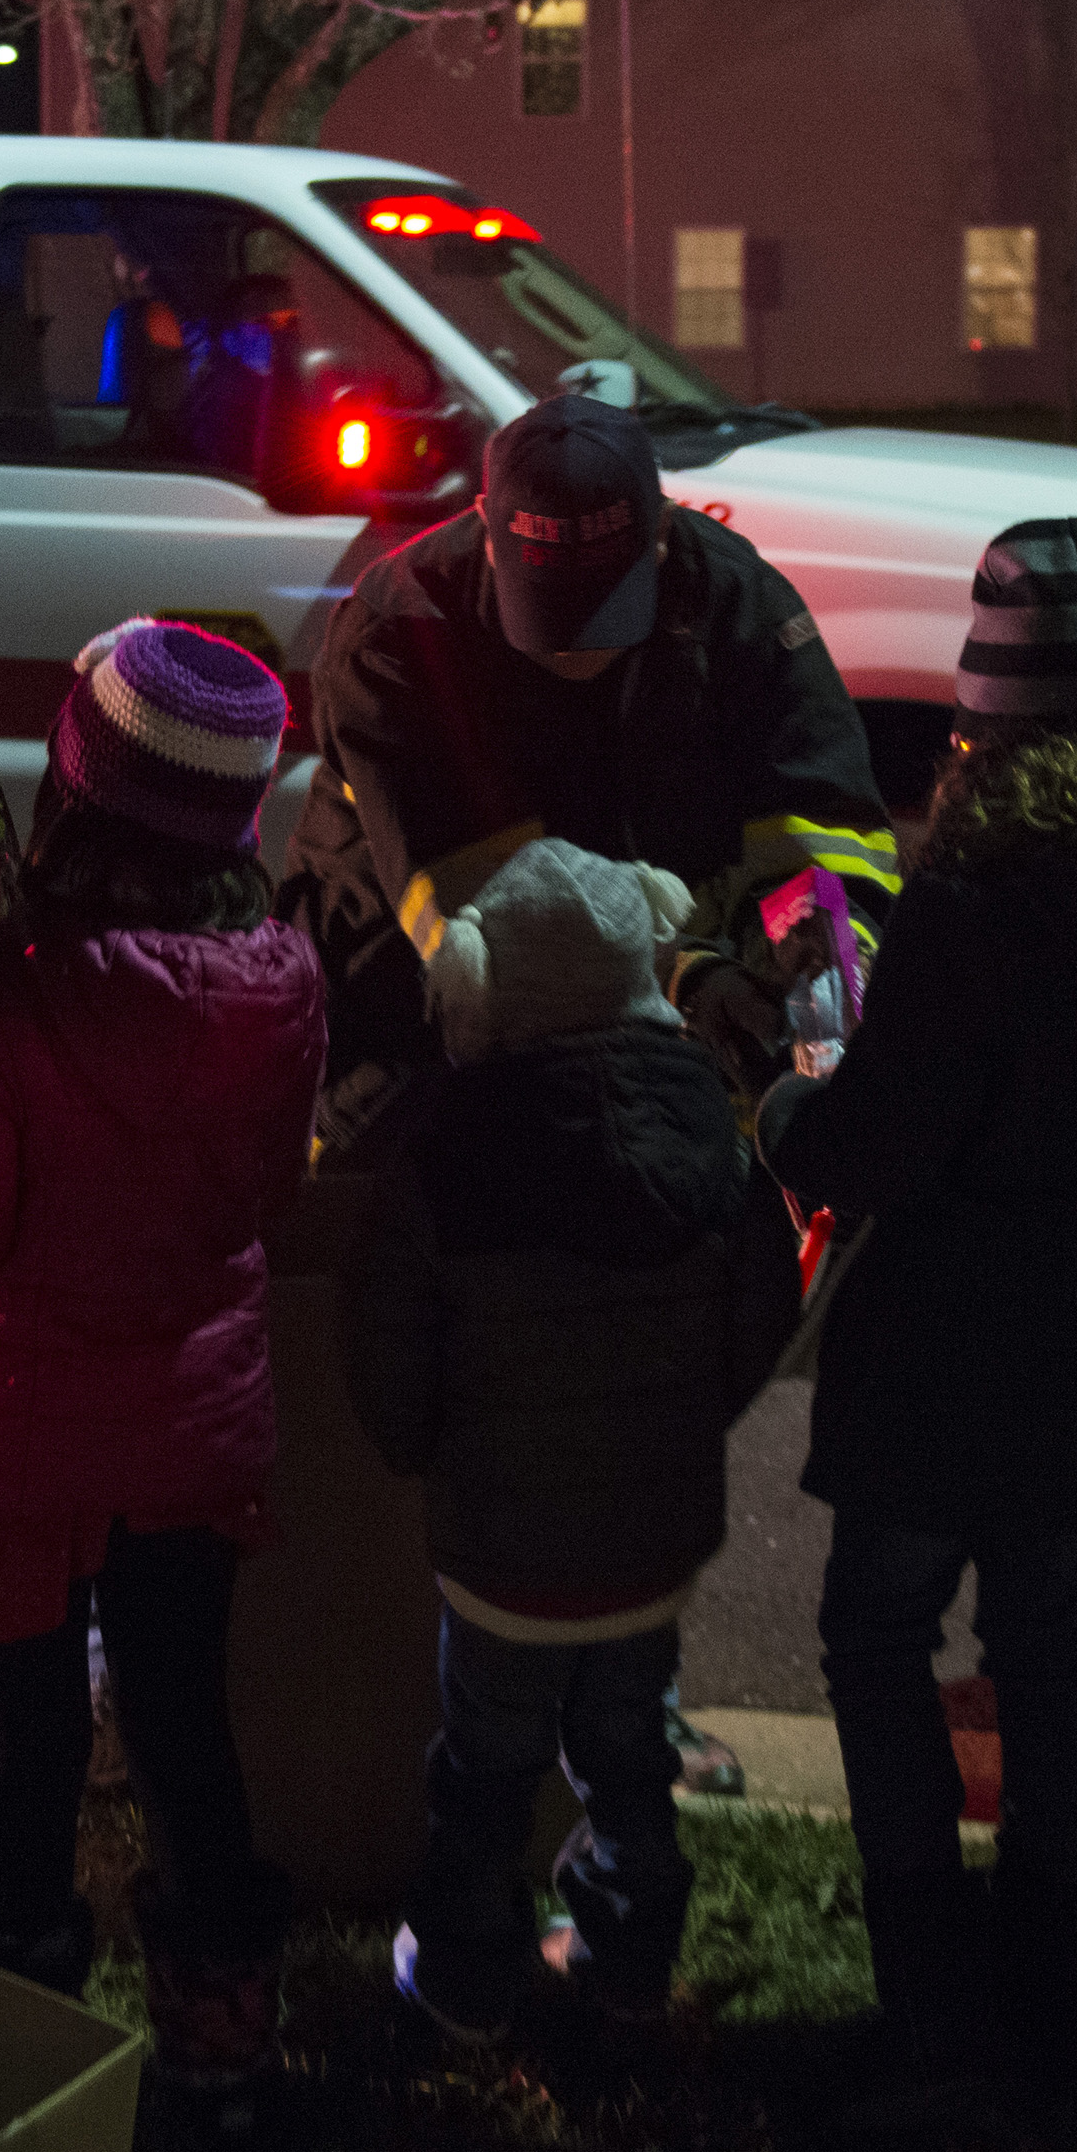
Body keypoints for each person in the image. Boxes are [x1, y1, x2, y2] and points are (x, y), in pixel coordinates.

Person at [287, 387, 895, 1798]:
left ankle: (621, 1702)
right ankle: (428, 1681)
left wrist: (812, 972)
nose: (569, 650)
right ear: (485, 541)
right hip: (421, 1013)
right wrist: (687, 987)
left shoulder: (737, 606)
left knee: (616, 1381)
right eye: (541, 614)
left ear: (663, 544)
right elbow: (481, 924)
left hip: (643, 1012)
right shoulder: (396, 627)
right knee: (441, 1350)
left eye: (598, 613)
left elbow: (825, 829)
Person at [756, 518, 1077, 2085]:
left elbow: (878, 1144)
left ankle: (923, 1979)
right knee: (1043, 1636)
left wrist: (795, 1094)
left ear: (984, 707)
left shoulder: (982, 886)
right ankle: (1044, 1978)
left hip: (942, 1350)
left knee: (875, 1633)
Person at [0, 617, 322, 2101]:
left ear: (76, 787)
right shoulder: (282, 976)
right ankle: (224, 2050)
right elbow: (262, 1197)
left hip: (14, 1437)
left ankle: (17, 2068)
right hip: (187, 1425)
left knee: (25, 1744)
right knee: (181, 1727)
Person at [343, 839, 803, 2041]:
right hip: (649, 1547)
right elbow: (765, 1306)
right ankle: (628, 1957)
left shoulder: (448, 1148)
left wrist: (426, 1451)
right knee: (629, 1754)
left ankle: (462, 1975)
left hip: (502, 1556)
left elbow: (389, 1343)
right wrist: (687, 1420)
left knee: (485, 1769)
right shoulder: (708, 1123)